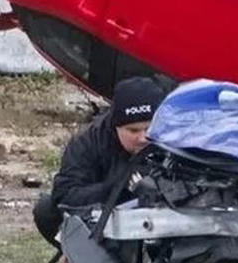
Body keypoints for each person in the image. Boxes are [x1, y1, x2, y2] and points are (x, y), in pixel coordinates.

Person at [33, 77, 166, 248]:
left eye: (150, 128)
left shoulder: (176, 137)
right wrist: (116, 187)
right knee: (46, 210)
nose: (143, 138)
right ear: (116, 126)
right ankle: (88, 259)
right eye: (133, 130)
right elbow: (64, 194)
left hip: (162, 217)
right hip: (104, 216)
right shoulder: (88, 142)